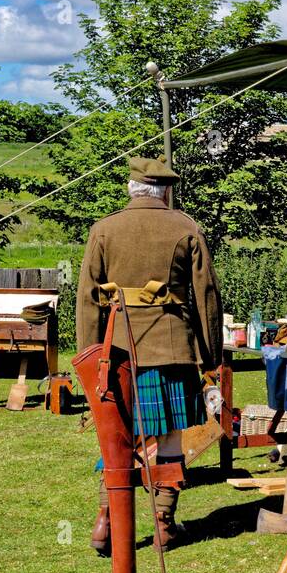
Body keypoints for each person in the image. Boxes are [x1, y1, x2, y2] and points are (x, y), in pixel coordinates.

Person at [76, 155, 223, 552]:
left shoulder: (104, 229)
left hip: (116, 350)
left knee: (117, 436)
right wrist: (211, 356)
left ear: (131, 188)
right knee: (172, 435)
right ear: (165, 191)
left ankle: (106, 521)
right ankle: (163, 523)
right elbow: (206, 294)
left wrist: (89, 357)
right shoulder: (186, 227)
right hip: (172, 349)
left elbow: (88, 299)